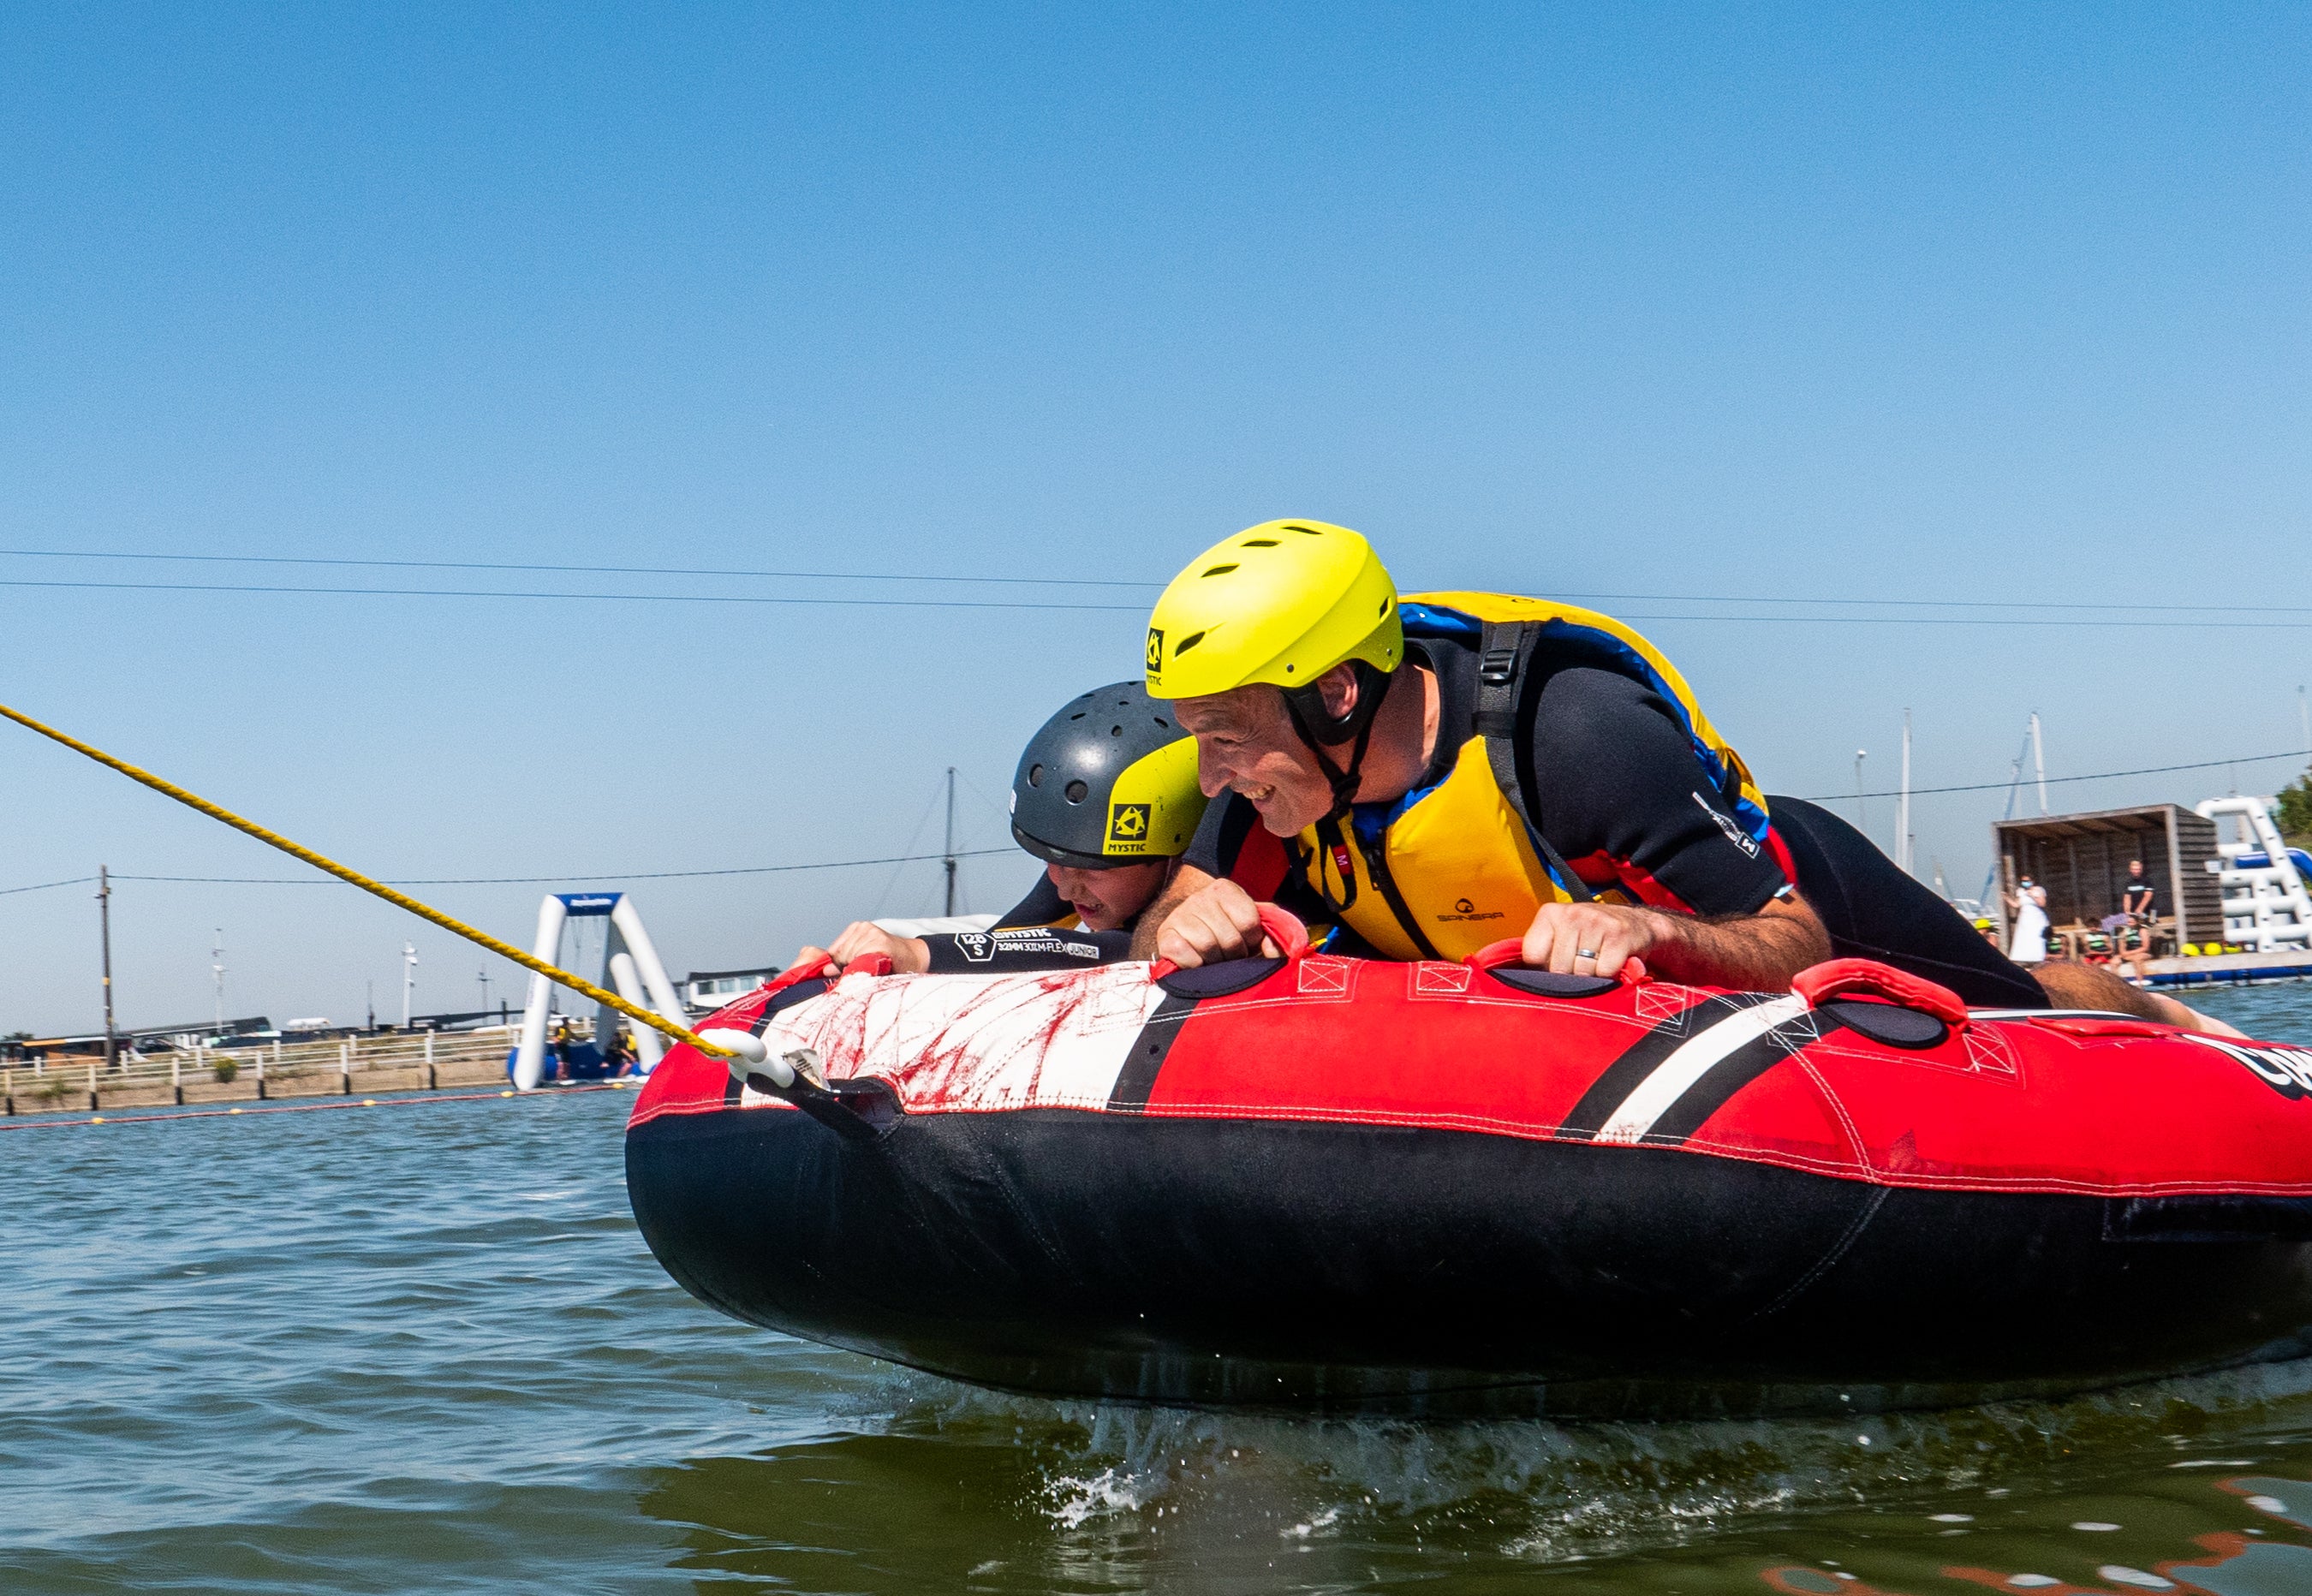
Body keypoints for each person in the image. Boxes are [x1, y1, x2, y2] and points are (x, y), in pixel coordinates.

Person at [1135, 518, 2233, 1032]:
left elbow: (1794, 936)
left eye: (1227, 736)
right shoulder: (1271, 795)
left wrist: (1650, 933)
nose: (1213, 776)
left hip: (1785, 885)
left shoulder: (1576, 739)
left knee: (2034, 1003)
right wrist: (1182, 921)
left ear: (1336, 694)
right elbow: (1166, 916)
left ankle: (2197, 1033)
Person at [800, 682, 1213, 975]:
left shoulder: (1220, 871)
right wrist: (849, 964)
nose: (1066, 889)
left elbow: (1116, 951)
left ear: (1178, 851)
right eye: (1053, 861)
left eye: (1093, 869)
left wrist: (916, 953)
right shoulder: (1088, 864)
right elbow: (1010, 941)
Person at [2006, 879, 2050, 965]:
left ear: (2032, 881)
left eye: (2027, 881)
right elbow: (2016, 905)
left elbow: (2042, 904)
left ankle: (2039, 958)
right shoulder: (2021, 891)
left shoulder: (2038, 890)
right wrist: (2006, 898)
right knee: (2025, 938)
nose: (2025, 883)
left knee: (2036, 938)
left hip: (2036, 918)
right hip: (2025, 919)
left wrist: (2032, 896)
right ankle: (2025, 960)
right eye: (2023, 881)